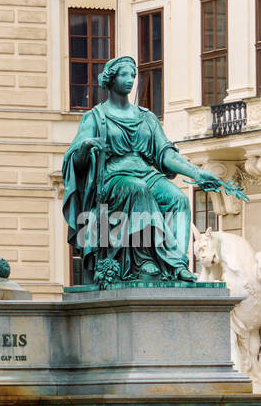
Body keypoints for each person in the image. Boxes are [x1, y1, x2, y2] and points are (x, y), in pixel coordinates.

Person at [62, 55, 245, 284]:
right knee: (138, 190)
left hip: (146, 173)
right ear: (110, 79)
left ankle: (176, 264)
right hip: (114, 177)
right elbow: (76, 163)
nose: (130, 80)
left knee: (178, 198)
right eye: (123, 75)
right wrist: (85, 148)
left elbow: (165, 155)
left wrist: (196, 173)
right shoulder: (95, 118)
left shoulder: (146, 117)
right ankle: (142, 261)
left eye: (132, 75)